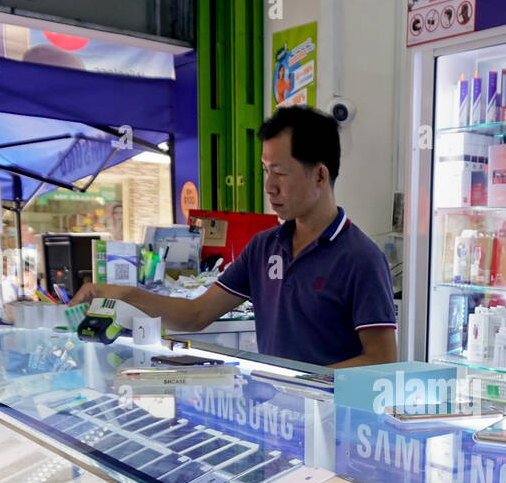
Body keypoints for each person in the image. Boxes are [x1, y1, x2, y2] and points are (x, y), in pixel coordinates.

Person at [71, 106, 397, 368]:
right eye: (265, 170)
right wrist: (125, 294)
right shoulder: (263, 247)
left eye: (280, 173)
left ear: (320, 175)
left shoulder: (361, 258)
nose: (269, 186)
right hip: (276, 419)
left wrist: (299, 386)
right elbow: (195, 315)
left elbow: (382, 359)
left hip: (330, 428)